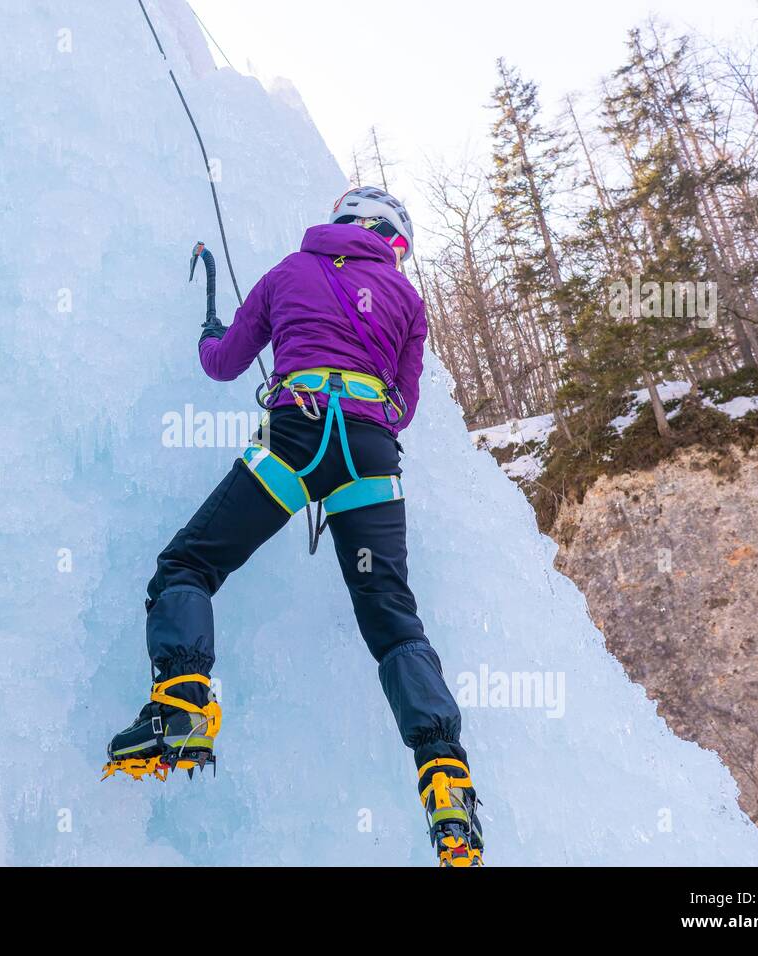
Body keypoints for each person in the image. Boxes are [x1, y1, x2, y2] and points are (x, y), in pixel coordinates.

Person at [103, 186, 484, 866]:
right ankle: (446, 779)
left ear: (337, 223)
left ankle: (181, 701)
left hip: (296, 437)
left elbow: (222, 364)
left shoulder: (288, 271)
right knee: (393, 618)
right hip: (368, 454)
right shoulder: (408, 300)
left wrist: (210, 333)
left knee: (189, 565)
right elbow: (402, 407)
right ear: (391, 240)